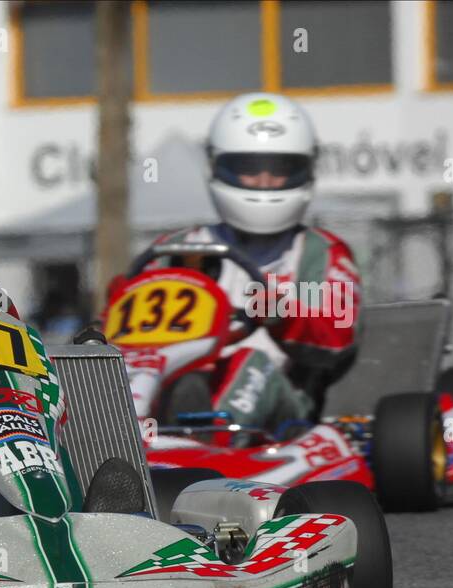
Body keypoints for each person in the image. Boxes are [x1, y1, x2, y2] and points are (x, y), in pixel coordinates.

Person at [154, 92, 360, 429]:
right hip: (176, 382)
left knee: (252, 362)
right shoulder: (180, 248)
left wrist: (281, 316)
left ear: (303, 170)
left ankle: (208, 440)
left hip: (283, 411)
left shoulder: (316, 253)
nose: (264, 181)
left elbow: (335, 337)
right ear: (219, 168)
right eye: (249, 169)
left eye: (278, 169)